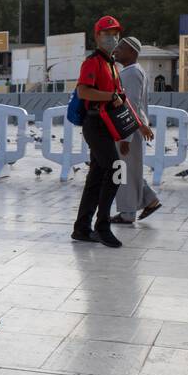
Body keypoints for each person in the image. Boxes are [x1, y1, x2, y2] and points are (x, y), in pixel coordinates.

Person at [72, 15, 128, 248]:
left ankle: (82, 228)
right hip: (95, 124)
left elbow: (121, 98)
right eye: (107, 34)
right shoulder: (93, 62)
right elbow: (84, 91)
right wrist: (110, 97)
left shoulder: (112, 65)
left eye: (115, 34)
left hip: (107, 124)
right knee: (117, 169)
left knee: (96, 177)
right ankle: (102, 226)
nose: (112, 38)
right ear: (97, 36)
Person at [108, 37, 160, 225]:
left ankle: (128, 213)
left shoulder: (131, 74)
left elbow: (130, 106)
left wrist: (126, 137)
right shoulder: (135, 71)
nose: (116, 50)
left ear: (132, 52)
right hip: (132, 128)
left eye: (121, 48)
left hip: (128, 130)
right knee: (129, 170)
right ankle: (150, 199)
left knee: (124, 171)